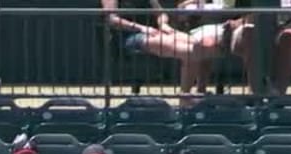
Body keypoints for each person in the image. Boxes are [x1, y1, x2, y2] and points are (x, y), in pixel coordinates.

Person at [105, 0, 254, 97]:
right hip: (130, 38)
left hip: (154, 31)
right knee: (191, 52)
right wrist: (142, 28)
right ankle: (185, 98)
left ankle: (196, 93)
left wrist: (163, 24)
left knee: (198, 44)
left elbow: (161, 13)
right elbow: (112, 19)